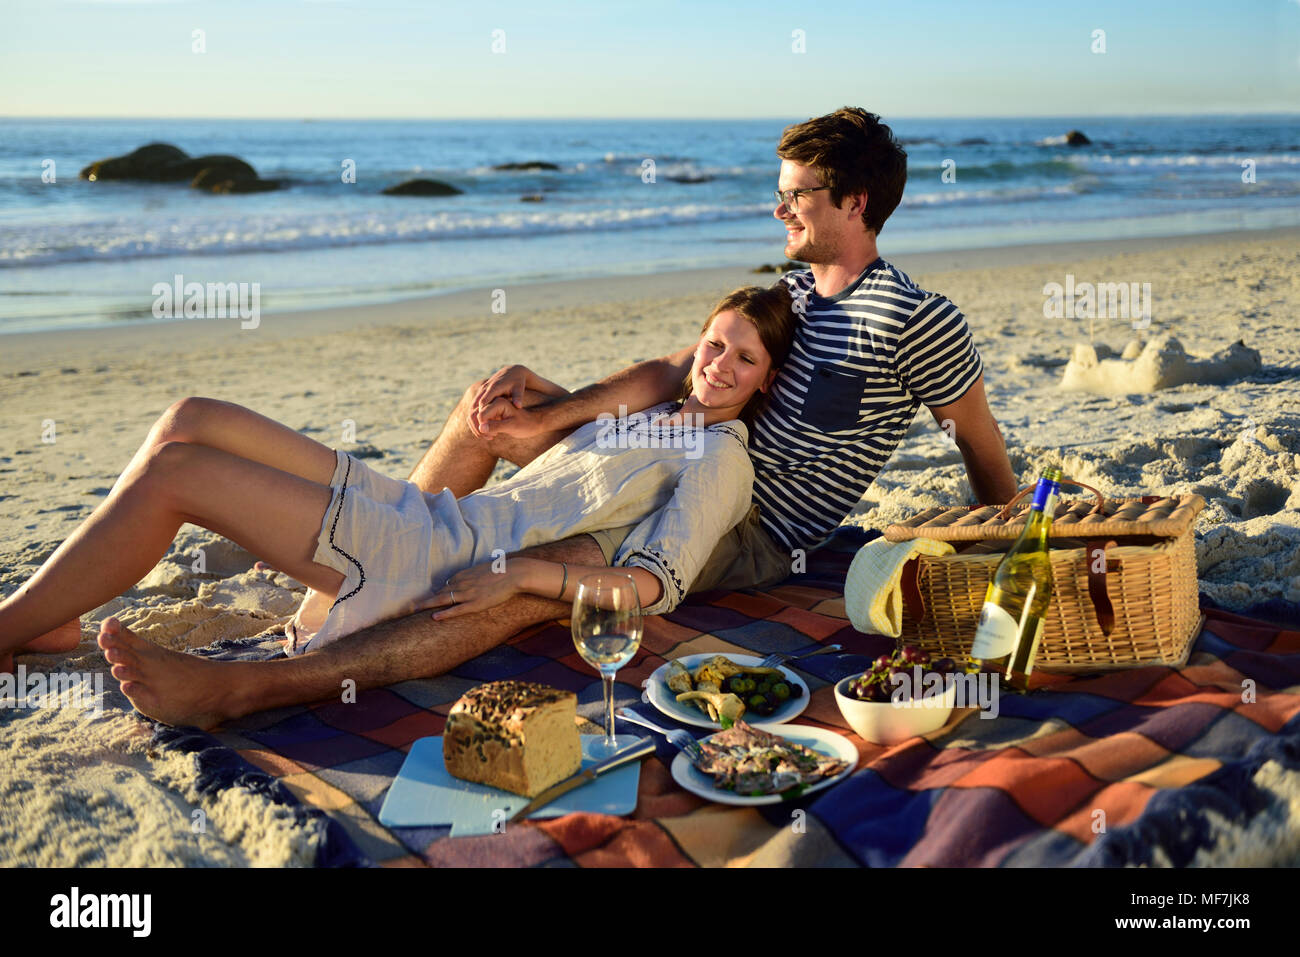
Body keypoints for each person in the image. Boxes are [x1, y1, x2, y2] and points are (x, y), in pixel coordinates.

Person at [86, 105, 1016, 730]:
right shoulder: (790, 292)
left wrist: (1007, 546)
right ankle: (363, 568)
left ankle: (259, 684)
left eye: (796, 194)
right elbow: (675, 368)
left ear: (853, 202)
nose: (777, 207)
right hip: (690, 447)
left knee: (562, 567)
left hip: (752, 526)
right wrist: (552, 416)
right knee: (490, 414)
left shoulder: (914, 318)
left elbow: (979, 445)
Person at [2, 286, 796, 672]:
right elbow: (570, 469)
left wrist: (522, 573)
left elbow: (656, 586)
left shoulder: (722, 459)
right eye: (714, 344)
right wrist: (539, 396)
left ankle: (10, 625)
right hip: (432, 512)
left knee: (178, 472)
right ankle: (48, 614)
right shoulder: (660, 414)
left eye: (745, 358)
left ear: (766, 382)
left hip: (435, 555)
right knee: (191, 416)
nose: (720, 365)